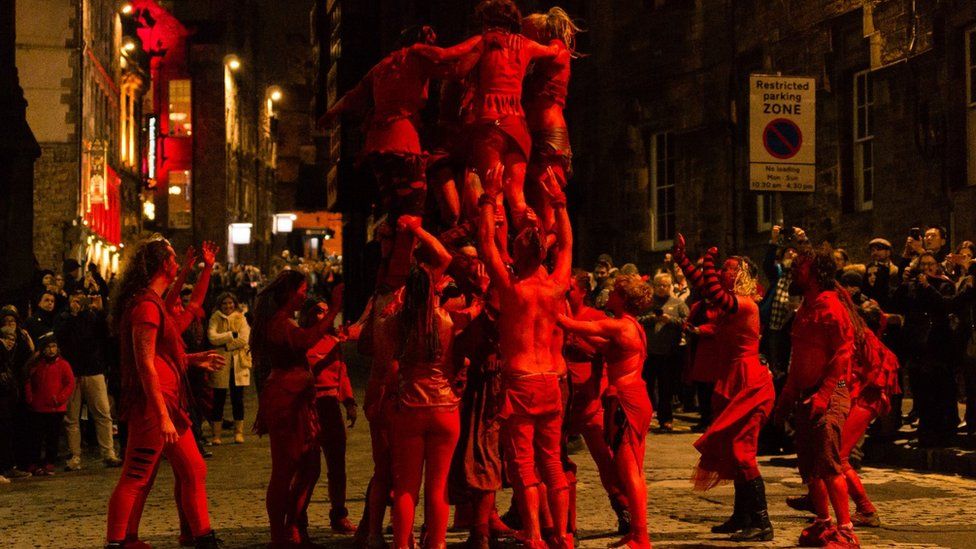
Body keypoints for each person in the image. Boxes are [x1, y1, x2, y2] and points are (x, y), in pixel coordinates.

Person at [104, 238, 224, 549]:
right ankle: (118, 541)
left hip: (169, 404)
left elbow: (165, 345)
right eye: (173, 258)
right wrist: (161, 416)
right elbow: (144, 363)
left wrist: (192, 359)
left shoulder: (153, 303)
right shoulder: (145, 305)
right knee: (136, 475)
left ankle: (202, 537)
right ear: (164, 264)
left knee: (194, 468)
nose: (177, 262)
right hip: (155, 406)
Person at [477, 164, 572, 548]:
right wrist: (559, 203)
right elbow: (566, 245)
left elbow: (485, 244)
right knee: (552, 460)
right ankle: (562, 534)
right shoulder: (555, 288)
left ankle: (534, 532)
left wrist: (489, 196)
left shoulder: (512, 290)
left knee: (523, 464)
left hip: (519, 380)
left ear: (516, 252)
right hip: (550, 378)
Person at [388, 214, 484, 549]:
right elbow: (444, 259)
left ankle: (402, 544)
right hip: (445, 408)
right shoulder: (448, 320)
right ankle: (438, 544)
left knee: (405, 488)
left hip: (410, 406)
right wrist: (417, 229)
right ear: (433, 287)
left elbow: (382, 353)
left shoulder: (395, 321)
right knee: (438, 486)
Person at [672, 235, 775, 542]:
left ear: (743, 276)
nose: (723, 272)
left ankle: (762, 523)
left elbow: (713, 291)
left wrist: (706, 259)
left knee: (743, 451)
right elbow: (707, 288)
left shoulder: (744, 305)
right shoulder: (730, 304)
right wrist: (682, 259)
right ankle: (742, 516)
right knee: (734, 451)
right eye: (724, 267)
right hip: (734, 378)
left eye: (730, 268)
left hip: (750, 382)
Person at [557, 273, 654, 549]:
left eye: (613, 292)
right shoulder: (631, 327)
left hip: (627, 400)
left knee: (630, 471)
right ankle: (636, 531)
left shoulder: (620, 325)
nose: (608, 295)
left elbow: (569, 323)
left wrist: (552, 301)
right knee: (633, 469)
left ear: (623, 298)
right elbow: (603, 345)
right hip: (633, 397)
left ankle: (641, 537)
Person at [773, 244, 859, 548]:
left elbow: (842, 354)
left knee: (829, 462)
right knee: (810, 466)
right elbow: (798, 361)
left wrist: (824, 395)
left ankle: (846, 530)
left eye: (800, 265)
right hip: (806, 395)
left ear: (817, 271)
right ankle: (823, 523)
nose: (794, 268)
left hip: (831, 393)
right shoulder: (805, 309)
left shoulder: (830, 306)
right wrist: (784, 402)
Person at [251, 270, 340, 547]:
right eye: (302, 289)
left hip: (297, 398)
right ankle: (280, 535)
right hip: (286, 400)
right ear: (290, 293)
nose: (305, 294)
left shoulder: (282, 321)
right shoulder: (279, 322)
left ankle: (293, 526)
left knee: (310, 465)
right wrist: (334, 309)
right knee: (285, 468)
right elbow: (305, 340)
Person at [563, 271, 630, 534]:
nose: (565, 293)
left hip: (589, 398)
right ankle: (565, 524)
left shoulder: (596, 318)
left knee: (605, 459)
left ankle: (624, 508)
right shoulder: (554, 312)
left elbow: (608, 355)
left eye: (570, 289)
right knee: (554, 460)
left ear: (582, 291)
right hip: (560, 397)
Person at [300, 296, 359, 535]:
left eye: (326, 310)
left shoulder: (333, 340)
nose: (323, 315)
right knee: (306, 465)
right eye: (318, 311)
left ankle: (338, 514)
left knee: (337, 464)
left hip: (330, 404)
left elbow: (341, 373)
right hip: (309, 405)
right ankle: (298, 516)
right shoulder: (302, 340)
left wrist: (349, 401)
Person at [522, 7, 580, 235]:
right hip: (537, 133)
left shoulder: (557, 48)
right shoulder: (537, 63)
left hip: (549, 134)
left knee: (548, 206)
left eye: (526, 34)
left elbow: (554, 51)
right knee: (536, 203)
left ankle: (553, 260)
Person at [55, 292, 121, 470]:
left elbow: (105, 335)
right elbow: (61, 337)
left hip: (93, 370)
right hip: (73, 372)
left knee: (103, 414)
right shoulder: (64, 317)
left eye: (79, 300)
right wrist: (73, 317)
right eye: (73, 300)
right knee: (72, 417)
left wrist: (100, 310)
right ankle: (75, 456)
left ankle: (108, 453)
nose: (75, 303)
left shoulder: (93, 317)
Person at [638, 271, 689, 432]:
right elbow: (636, 320)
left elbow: (687, 322)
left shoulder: (678, 303)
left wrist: (671, 320)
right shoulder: (648, 303)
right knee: (647, 387)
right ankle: (645, 418)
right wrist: (651, 318)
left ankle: (666, 419)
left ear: (670, 286)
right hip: (650, 352)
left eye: (665, 285)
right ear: (654, 286)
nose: (662, 288)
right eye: (659, 285)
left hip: (669, 353)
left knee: (666, 387)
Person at [24, 332, 74, 475]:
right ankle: (34, 463)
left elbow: (69, 383)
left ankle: (49, 462)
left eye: (54, 346)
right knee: (37, 438)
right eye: (48, 347)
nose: (51, 350)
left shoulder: (63, 365)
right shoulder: (36, 365)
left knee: (52, 437)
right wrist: (30, 398)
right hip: (39, 407)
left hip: (55, 408)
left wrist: (59, 398)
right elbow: (28, 380)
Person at [207, 292, 251, 445]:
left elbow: (244, 338)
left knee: (237, 398)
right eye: (225, 303)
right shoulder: (215, 318)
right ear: (220, 305)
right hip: (221, 362)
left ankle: (238, 433)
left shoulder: (241, 318)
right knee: (218, 398)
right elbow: (212, 338)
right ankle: (216, 435)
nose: (228, 306)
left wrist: (226, 344)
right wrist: (231, 334)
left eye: (230, 303)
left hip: (239, 363)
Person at [0, 305, 34, 480]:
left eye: (12, 321)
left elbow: (28, 357)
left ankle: (14, 464)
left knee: (14, 428)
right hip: (3, 393)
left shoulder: (19, 340)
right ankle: (6, 466)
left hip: (13, 390)